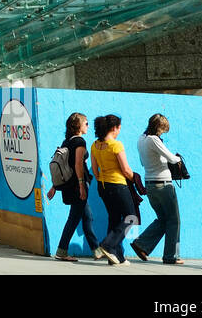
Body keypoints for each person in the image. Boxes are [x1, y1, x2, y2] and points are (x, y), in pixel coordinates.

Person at [131, 113, 184, 265]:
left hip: (150, 184)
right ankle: (171, 256)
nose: (162, 134)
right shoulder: (154, 139)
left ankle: (141, 244)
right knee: (174, 220)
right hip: (163, 184)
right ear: (159, 127)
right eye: (163, 131)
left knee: (163, 219)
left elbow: (142, 161)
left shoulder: (141, 139)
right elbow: (172, 158)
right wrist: (179, 159)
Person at [46, 112, 100, 262]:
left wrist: (54, 186)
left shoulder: (67, 142)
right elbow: (77, 165)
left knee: (87, 216)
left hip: (69, 185)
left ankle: (96, 250)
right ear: (79, 126)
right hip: (78, 185)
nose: (88, 126)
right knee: (74, 218)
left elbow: (63, 166)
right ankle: (61, 251)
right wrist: (82, 186)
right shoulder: (80, 142)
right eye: (86, 123)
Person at [91, 114, 137, 266]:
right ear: (113, 128)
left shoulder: (95, 145)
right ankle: (108, 245)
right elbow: (125, 169)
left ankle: (117, 257)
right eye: (119, 128)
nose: (119, 132)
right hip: (118, 185)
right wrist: (134, 178)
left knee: (114, 218)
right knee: (131, 217)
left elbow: (95, 171)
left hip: (103, 186)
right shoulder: (116, 145)